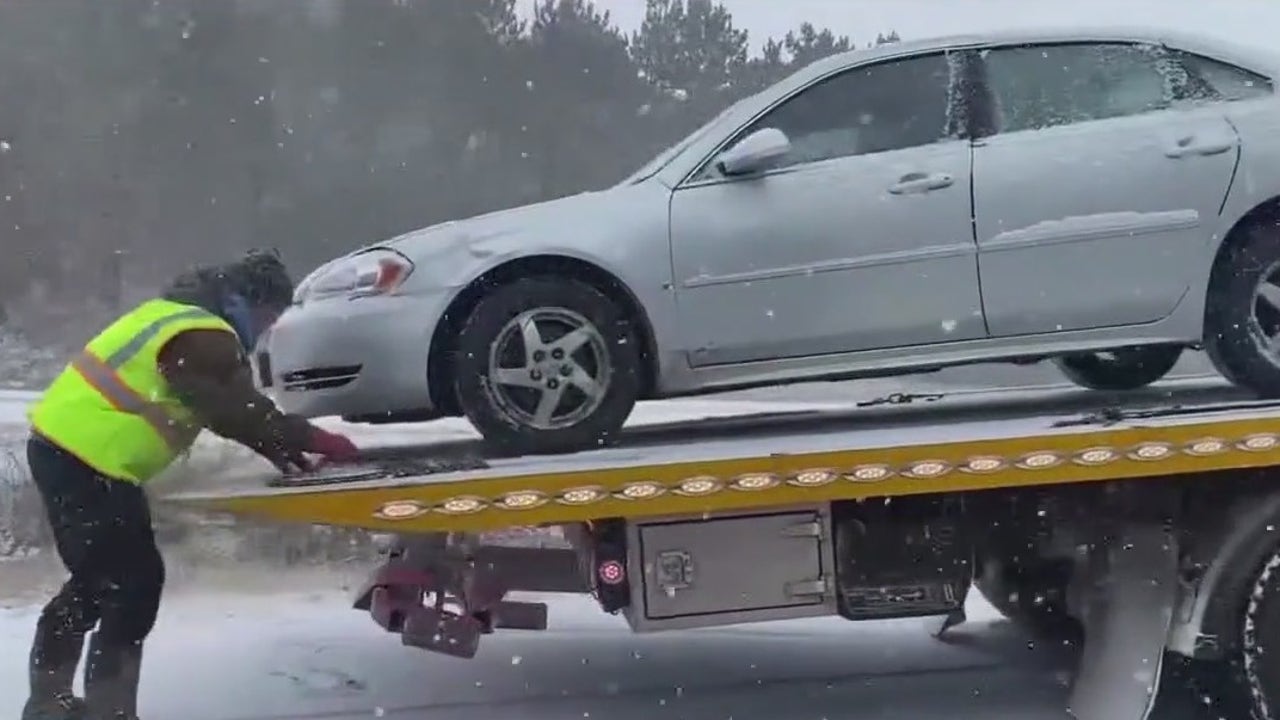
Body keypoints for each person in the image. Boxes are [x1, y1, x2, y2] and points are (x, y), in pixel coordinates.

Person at [21, 250, 361, 720]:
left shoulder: (170, 318)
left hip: (62, 450)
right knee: (133, 585)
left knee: (98, 582)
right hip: (90, 459)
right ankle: (106, 711)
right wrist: (306, 435)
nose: (267, 328)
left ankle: (50, 702)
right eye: (269, 315)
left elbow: (218, 407)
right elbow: (225, 404)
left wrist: (277, 448)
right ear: (244, 301)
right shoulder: (203, 334)